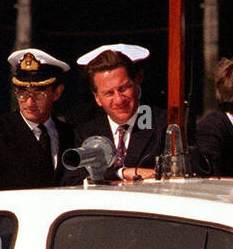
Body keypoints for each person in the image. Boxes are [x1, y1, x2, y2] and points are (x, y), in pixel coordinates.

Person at [0, 48, 75, 193]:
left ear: (57, 93)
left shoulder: (71, 135)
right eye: (22, 94)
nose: (29, 102)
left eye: (39, 94)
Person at [62, 47, 165, 183]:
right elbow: (71, 181)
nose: (119, 100)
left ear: (136, 84)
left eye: (123, 88)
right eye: (109, 93)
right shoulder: (85, 133)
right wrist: (121, 173)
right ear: (97, 98)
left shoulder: (163, 124)